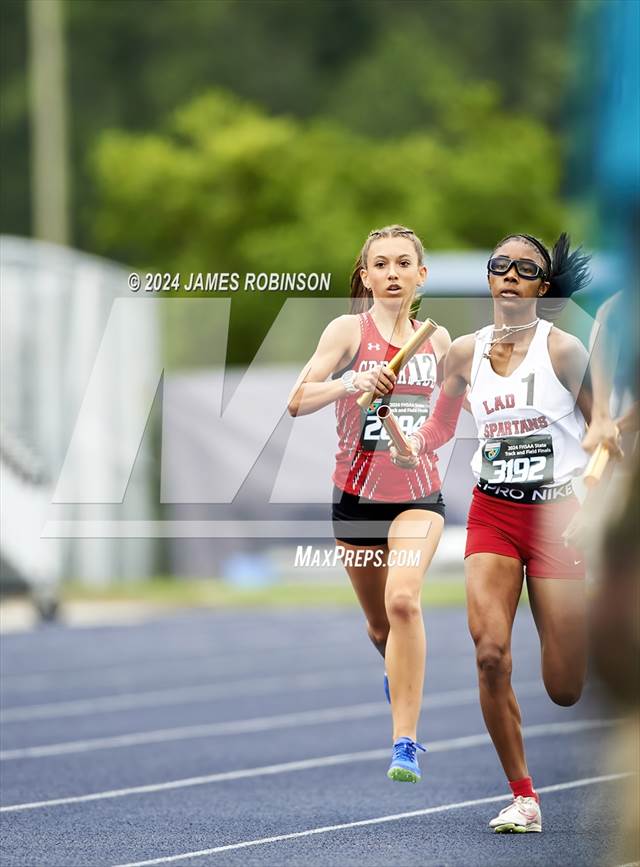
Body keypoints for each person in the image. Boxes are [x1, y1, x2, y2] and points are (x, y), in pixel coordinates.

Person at [391, 232, 593, 831]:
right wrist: (410, 443)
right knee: (489, 655)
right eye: (499, 265)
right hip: (493, 514)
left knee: (565, 688)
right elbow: (437, 430)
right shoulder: (463, 352)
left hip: (559, 519)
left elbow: (608, 430)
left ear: (542, 286)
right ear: (488, 278)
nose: (509, 274)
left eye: (524, 268)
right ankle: (523, 796)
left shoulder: (564, 351)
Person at [288, 225, 451, 783]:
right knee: (382, 629)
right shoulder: (347, 331)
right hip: (356, 499)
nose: (392, 273)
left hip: (418, 495)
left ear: (421, 275)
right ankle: (394, 671)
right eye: (381, 264)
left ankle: (404, 743)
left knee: (403, 601)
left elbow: (448, 417)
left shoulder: (437, 340)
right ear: (366, 275)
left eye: (403, 263)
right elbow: (297, 399)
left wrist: (418, 444)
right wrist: (351, 381)